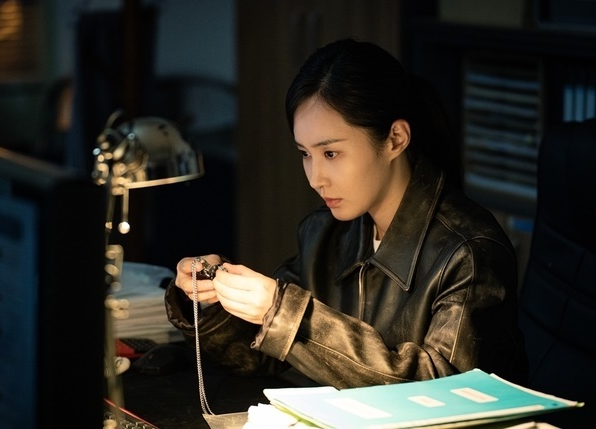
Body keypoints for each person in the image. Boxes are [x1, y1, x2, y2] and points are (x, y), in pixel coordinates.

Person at [165, 38, 528, 388]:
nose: (315, 178)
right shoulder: (325, 234)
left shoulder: (468, 252)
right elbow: (262, 355)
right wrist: (207, 300)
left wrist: (284, 312)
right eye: (305, 154)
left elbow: (441, 391)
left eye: (331, 153)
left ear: (395, 139)